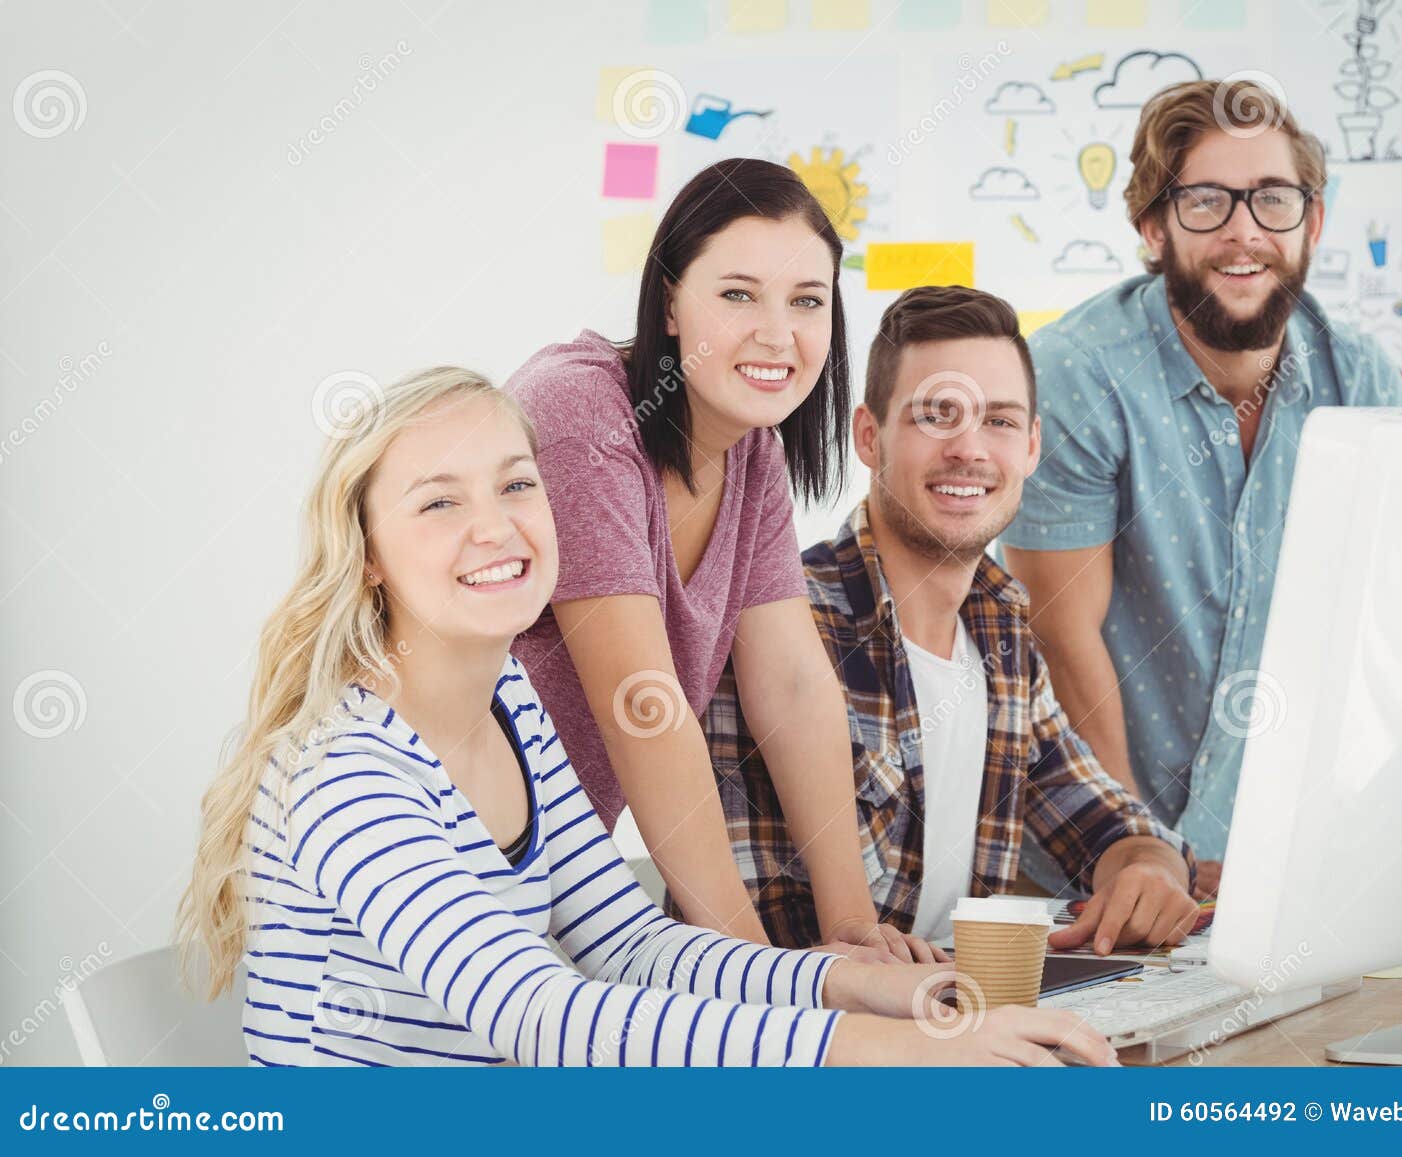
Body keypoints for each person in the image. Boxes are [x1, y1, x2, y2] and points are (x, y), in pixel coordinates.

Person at [176, 368, 1116, 1067]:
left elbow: (628, 946)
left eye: (515, 484)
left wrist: (868, 981)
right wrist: (888, 1046)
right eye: (437, 503)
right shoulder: (347, 773)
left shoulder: (513, 710)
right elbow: (538, 1013)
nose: (496, 526)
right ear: (369, 553)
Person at [506, 158, 938, 960]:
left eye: (807, 301)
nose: (778, 333)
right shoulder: (581, 412)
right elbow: (643, 705)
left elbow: (794, 685)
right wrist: (756, 965)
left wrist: (850, 926)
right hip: (437, 854)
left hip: (549, 878)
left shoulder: (754, 454)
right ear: (670, 301)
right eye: (738, 294)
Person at [1000, 80, 1402, 895]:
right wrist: (1136, 853)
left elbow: (1382, 627)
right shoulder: (1077, 375)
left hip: (1274, 856)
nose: (1244, 232)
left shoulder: (1360, 378)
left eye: (1272, 200)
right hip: (1086, 857)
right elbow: (1066, 644)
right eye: (1207, 203)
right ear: (1153, 227)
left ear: (1312, 222)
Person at [704, 285, 1199, 953]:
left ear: (1030, 447)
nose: (969, 449)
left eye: (998, 421)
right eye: (936, 415)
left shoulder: (1001, 639)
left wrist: (1148, 868)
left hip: (954, 1026)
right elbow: (759, 948)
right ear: (869, 437)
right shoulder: (783, 625)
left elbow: (1105, 822)